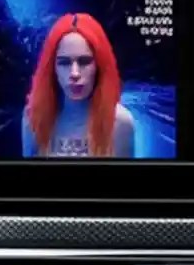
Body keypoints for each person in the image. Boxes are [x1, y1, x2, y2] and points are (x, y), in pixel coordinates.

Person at [22, 12, 134, 158]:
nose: (74, 73)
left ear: (99, 65)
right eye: (64, 63)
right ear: (52, 68)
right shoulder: (33, 117)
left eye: (84, 61)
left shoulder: (121, 122)